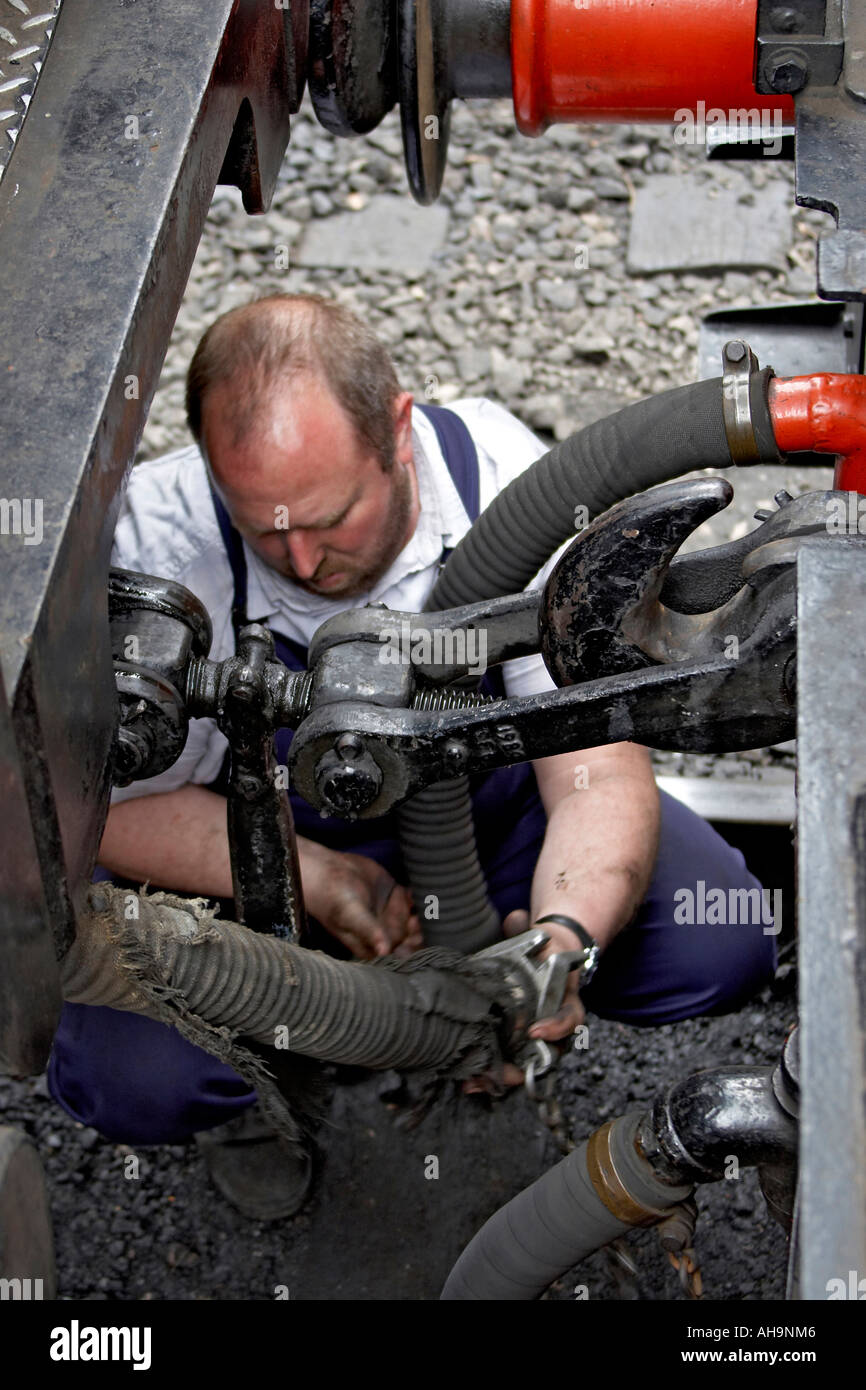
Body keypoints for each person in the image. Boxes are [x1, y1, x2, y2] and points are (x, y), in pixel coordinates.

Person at [48, 293, 776, 1218]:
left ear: (398, 428)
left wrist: (559, 946)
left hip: (491, 815)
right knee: (134, 1077)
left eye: (333, 517)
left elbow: (597, 760)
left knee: (723, 938)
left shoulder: (505, 481)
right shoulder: (153, 548)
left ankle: (465, 1021)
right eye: (269, 532)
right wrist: (315, 877)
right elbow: (108, 812)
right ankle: (276, 1075)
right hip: (257, 853)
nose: (305, 562)